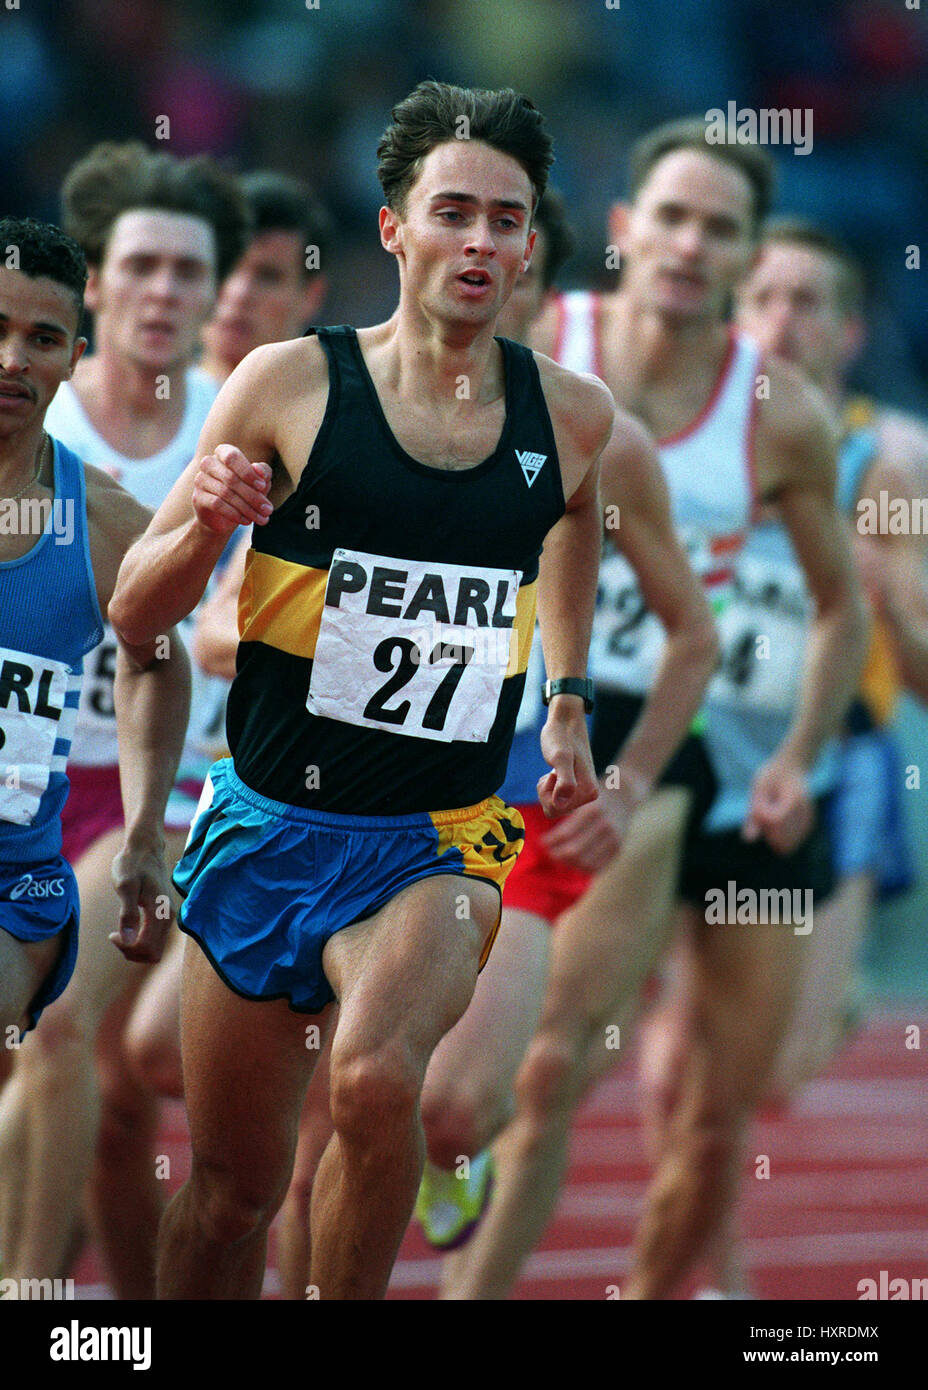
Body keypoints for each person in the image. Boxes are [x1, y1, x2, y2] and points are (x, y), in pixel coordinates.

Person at [109, 79, 619, 1302]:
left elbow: (574, 533)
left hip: (436, 841)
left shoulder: (574, 416)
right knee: (231, 1193)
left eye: (508, 218)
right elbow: (135, 610)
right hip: (268, 822)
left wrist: (566, 696)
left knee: (382, 1081)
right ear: (394, 229)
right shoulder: (285, 385)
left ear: (531, 241)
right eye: (454, 212)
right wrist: (204, 533)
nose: (482, 241)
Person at [435, 116, 867, 1300]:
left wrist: (798, 752)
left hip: (711, 764)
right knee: (521, 1069)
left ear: (743, 257)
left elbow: (842, 608)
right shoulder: (540, 332)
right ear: (624, 230)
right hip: (552, 725)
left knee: (684, 1099)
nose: (688, 244)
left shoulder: (777, 414)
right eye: (670, 217)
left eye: (718, 229)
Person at [412, 188, 718, 1262]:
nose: (486, 279)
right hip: (359, 782)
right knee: (321, 1115)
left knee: (459, 1106)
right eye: (462, 244)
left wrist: (626, 778)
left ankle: (456, 1155)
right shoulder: (338, 402)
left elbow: (694, 634)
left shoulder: (595, 432)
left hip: (513, 792)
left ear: (544, 291)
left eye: (517, 264)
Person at [643, 216, 928, 1299]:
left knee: (767, 1071)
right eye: (763, 296)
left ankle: (827, 998)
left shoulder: (886, 458)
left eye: (810, 302)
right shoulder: (678, 425)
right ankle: (713, 1277)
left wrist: (892, 602)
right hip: (691, 741)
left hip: (826, 766)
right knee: (674, 1058)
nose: (782, 321)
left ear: (849, 333)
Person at [0, 144, 248, 1297]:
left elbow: (179, 647)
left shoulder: (239, 430)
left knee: (57, 1037)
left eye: (185, 271)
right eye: (139, 265)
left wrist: (150, 823)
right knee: (102, 1106)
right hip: (49, 781)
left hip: (132, 797)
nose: (163, 292)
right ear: (100, 287)